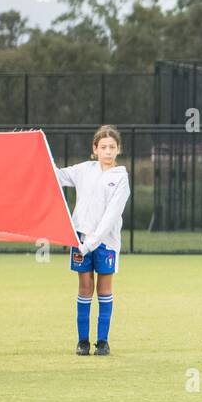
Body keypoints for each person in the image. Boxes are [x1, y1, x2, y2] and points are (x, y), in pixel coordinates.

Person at [56, 125, 131, 355]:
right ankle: (82, 342)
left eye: (112, 147)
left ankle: (102, 341)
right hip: (81, 238)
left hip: (105, 243)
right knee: (85, 286)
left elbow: (110, 217)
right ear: (95, 149)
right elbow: (56, 176)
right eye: (103, 147)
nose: (107, 151)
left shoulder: (121, 178)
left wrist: (91, 243)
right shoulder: (83, 170)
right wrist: (39, 156)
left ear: (118, 150)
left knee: (103, 288)